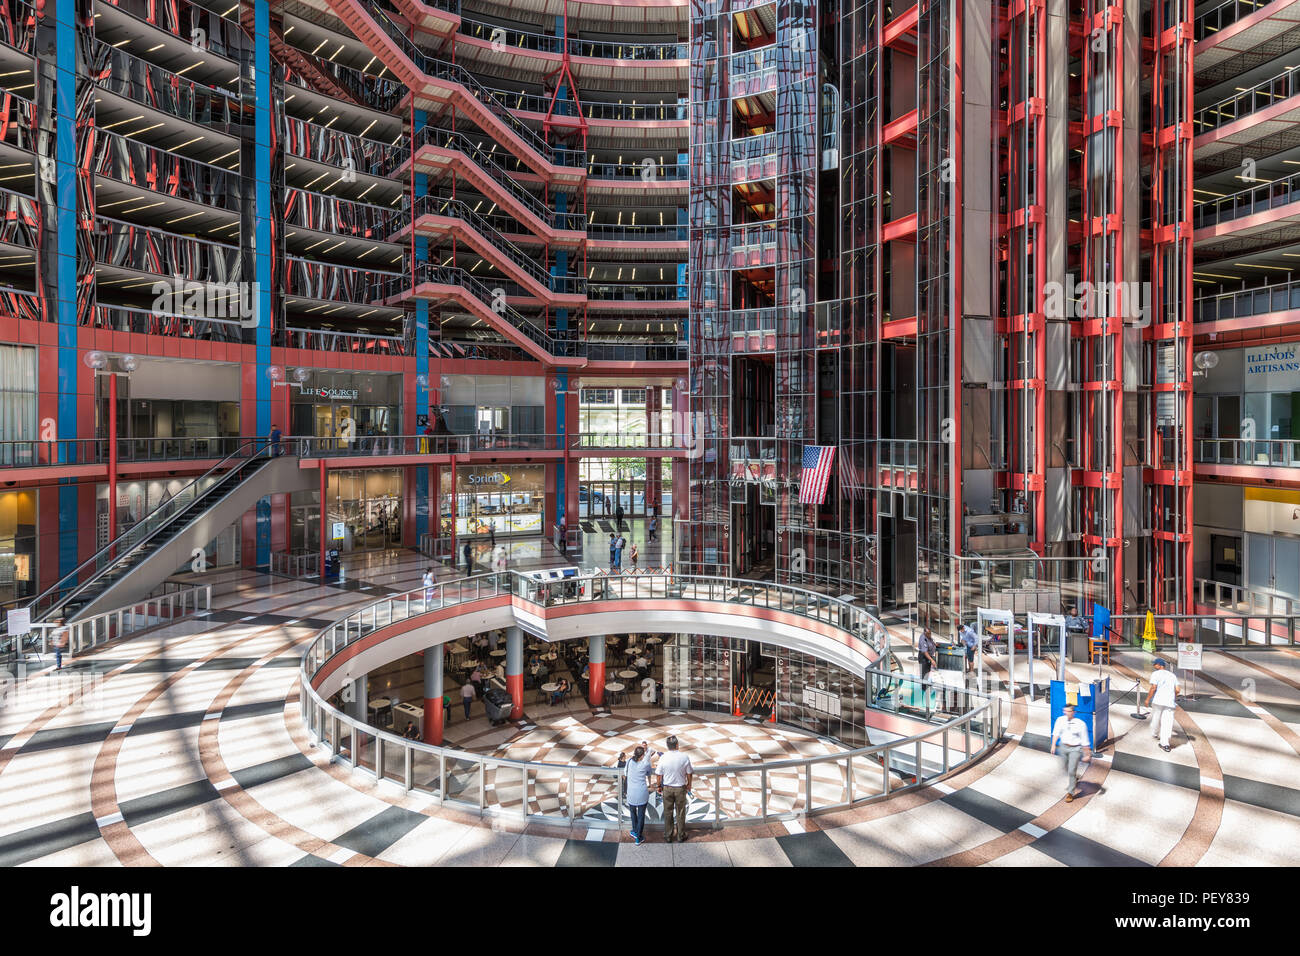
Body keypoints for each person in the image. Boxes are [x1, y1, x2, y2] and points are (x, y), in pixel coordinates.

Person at [1049, 703, 1092, 802]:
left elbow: (1085, 741)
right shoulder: (1060, 720)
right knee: (1065, 768)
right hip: (1063, 747)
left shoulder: (1080, 724)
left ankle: (1070, 793)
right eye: (1065, 711)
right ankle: (1074, 777)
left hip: (1075, 749)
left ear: (1073, 712)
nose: (1066, 713)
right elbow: (1056, 733)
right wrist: (1053, 745)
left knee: (1071, 770)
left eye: (1069, 711)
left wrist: (1087, 754)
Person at [655, 735, 693, 843]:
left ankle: (668, 835)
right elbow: (689, 773)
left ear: (667, 746)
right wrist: (689, 784)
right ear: (677, 745)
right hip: (680, 789)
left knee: (668, 812)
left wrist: (659, 786)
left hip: (667, 788)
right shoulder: (684, 756)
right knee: (681, 812)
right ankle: (681, 835)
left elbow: (658, 774)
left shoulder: (663, 757)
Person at [1145, 658, 1180, 752]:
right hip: (1169, 702)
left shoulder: (1155, 674)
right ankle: (1165, 743)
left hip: (1158, 700)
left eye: (1155, 664)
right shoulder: (1172, 675)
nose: (1154, 666)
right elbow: (1177, 690)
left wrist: (1147, 699)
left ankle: (1154, 733)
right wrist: (1173, 696)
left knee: (1156, 717)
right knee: (1167, 722)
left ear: (1160, 665)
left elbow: (1153, 688)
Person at [624, 744, 656, 846]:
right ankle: (638, 837)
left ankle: (634, 830)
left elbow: (625, 773)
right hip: (642, 793)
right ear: (642, 755)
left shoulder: (629, 761)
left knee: (633, 812)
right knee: (641, 815)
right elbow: (649, 772)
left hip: (631, 792)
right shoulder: (645, 764)